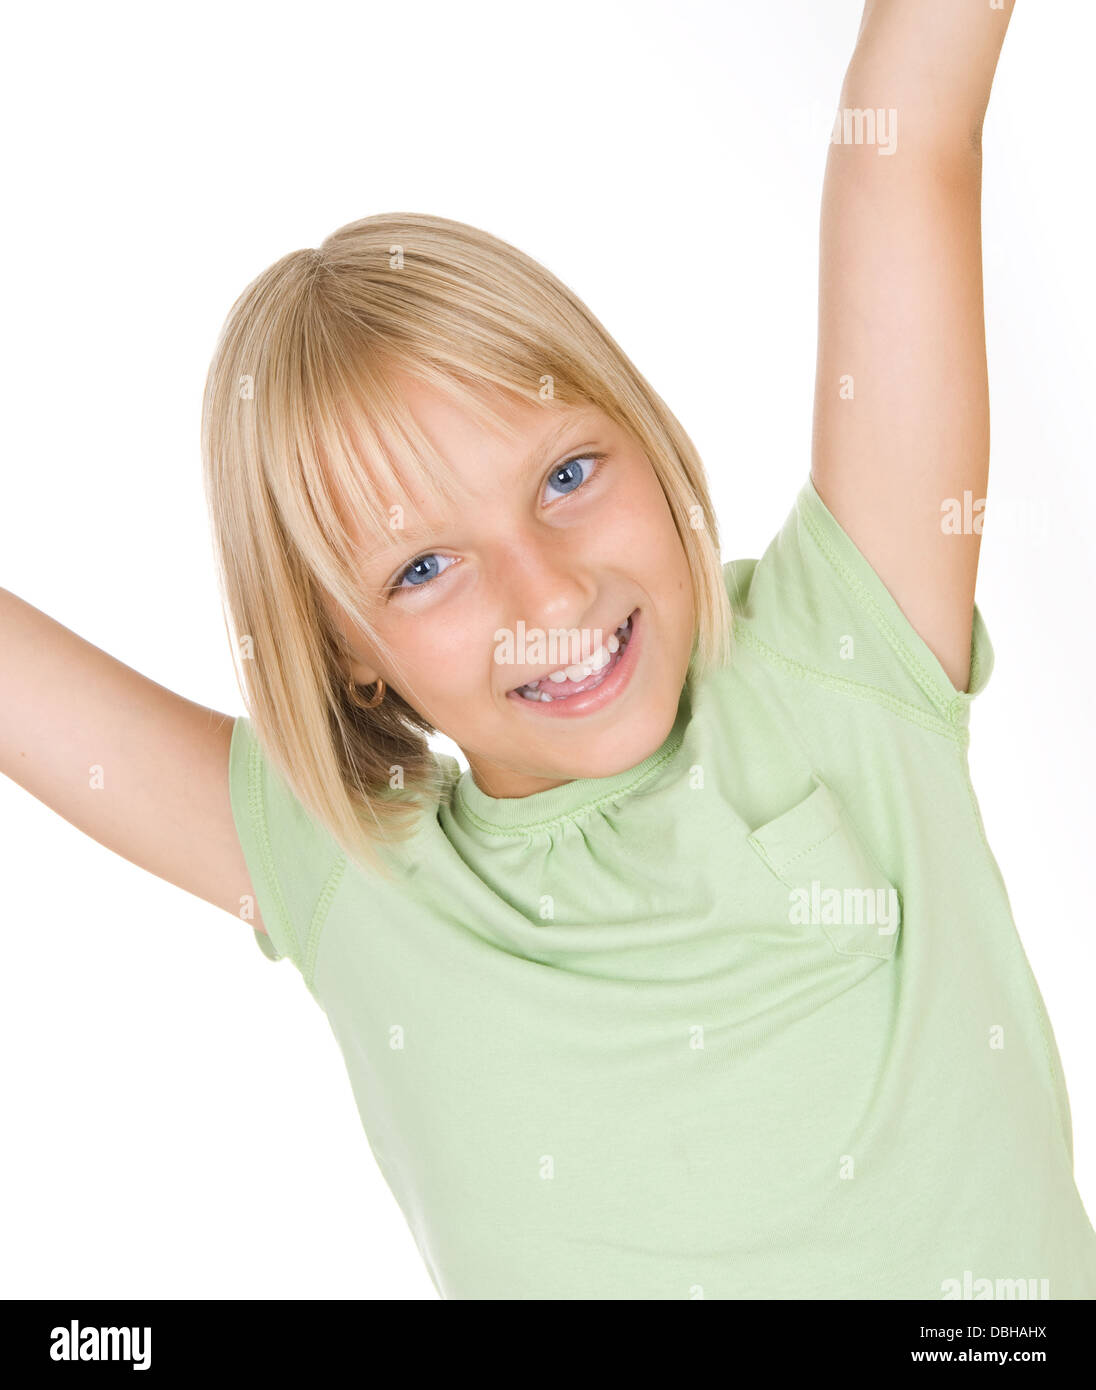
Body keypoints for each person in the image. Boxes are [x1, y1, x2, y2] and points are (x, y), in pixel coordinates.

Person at [5, 0, 1093, 1299]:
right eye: (422, 568)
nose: (548, 588)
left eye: (568, 472)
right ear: (348, 655)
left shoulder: (845, 652)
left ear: (641, 430)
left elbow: (908, 141)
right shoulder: (355, 871)